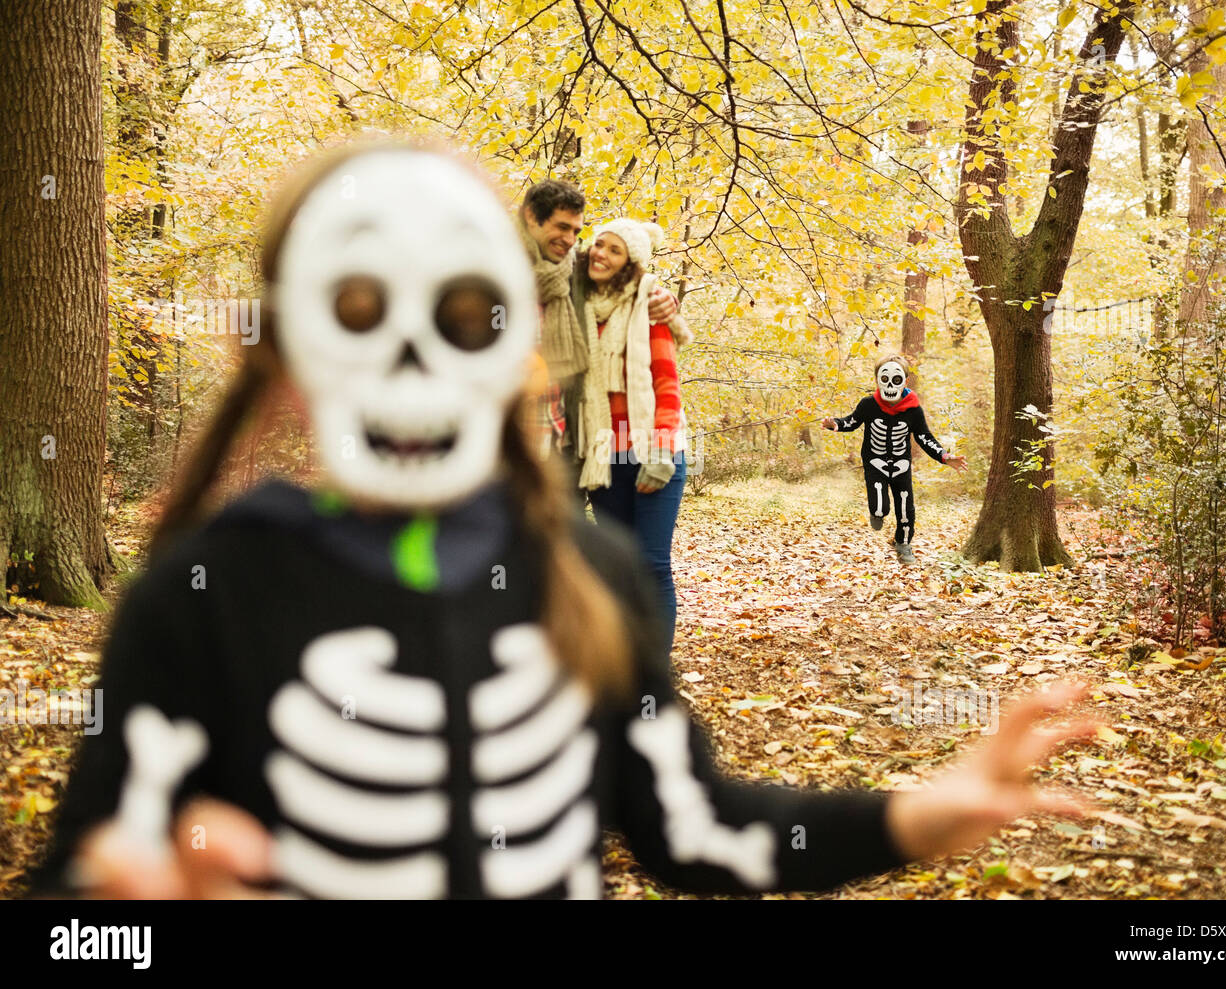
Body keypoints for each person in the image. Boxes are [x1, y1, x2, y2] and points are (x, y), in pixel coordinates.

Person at [28, 146, 1094, 900]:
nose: (411, 358)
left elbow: (693, 828)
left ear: (516, 348)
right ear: (284, 352)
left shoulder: (587, 575)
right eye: (356, 310)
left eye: (458, 315)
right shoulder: (201, 593)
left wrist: (916, 816)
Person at [574, 219, 689, 649]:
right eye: (597, 244)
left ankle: (653, 672)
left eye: (614, 250)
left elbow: (666, 384)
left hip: (651, 452)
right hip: (603, 457)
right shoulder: (576, 306)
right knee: (616, 566)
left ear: (631, 264)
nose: (600, 253)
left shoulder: (649, 307)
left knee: (651, 564)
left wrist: (660, 450)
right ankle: (623, 661)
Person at [517, 180, 678, 464]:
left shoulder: (574, 274)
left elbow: (626, 283)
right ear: (531, 216)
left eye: (576, 231)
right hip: (510, 444)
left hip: (563, 443)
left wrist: (662, 297)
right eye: (562, 227)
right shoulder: (492, 272)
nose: (569, 239)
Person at [823, 354, 967, 564]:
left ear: (905, 381)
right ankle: (878, 513)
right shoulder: (868, 405)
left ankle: (904, 544)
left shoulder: (914, 409)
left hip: (901, 464)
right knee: (880, 507)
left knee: (906, 508)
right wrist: (835, 424)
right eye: (885, 378)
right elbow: (851, 421)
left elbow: (924, 437)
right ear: (877, 380)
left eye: (896, 379)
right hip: (875, 461)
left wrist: (945, 457)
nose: (890, 384)